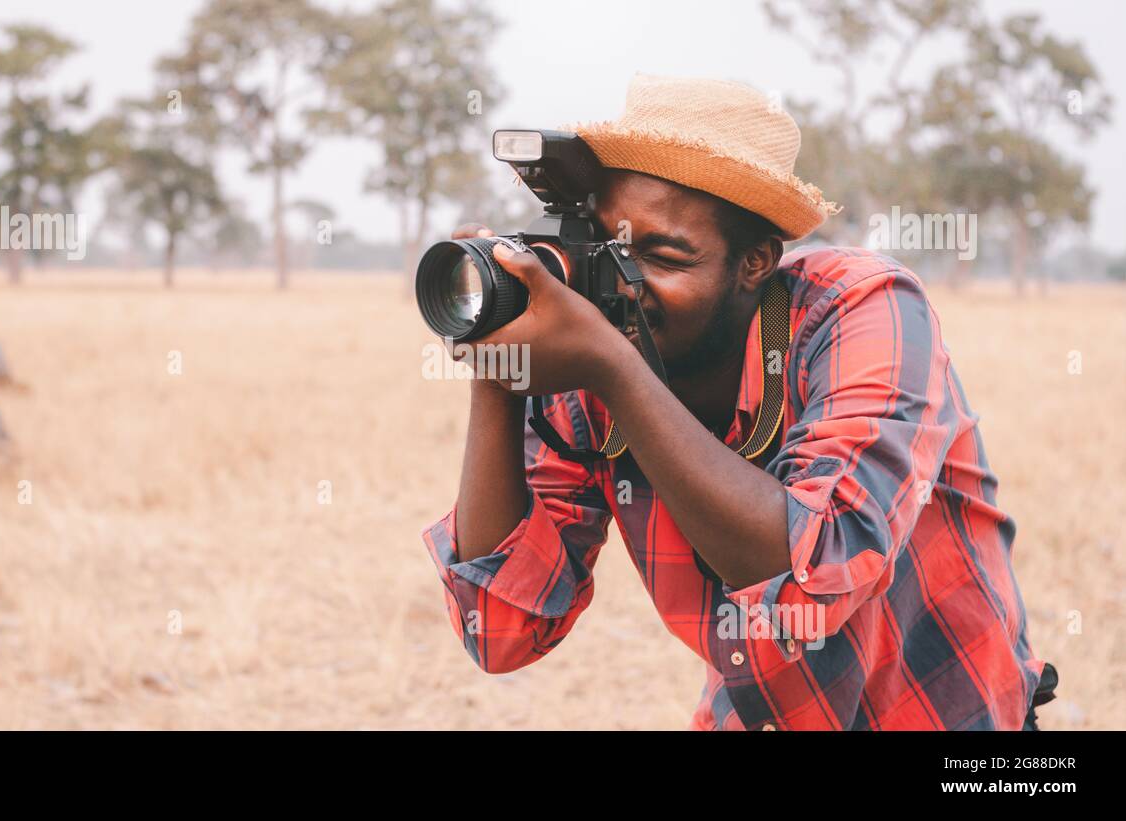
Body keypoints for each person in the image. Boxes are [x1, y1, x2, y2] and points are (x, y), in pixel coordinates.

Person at [421, 74, 1054, 730]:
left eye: (659, 255)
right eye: (605, 253)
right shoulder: (593, 364)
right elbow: (500, 630)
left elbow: (819, 560)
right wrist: (496, 360)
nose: (620, 286)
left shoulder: (861, 310)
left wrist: (614, 370)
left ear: (755, 262)